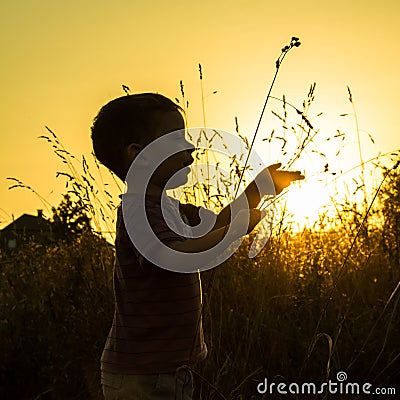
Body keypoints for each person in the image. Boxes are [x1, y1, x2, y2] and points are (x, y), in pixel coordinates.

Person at [91, 93, 304, 400]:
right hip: (140, 375)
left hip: (168, 368)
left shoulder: (171, 209)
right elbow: (170, 254)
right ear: (140, 156)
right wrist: (234, 231)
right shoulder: (137, 211)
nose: (190, 147)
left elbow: (217, 223)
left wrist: (255, 191)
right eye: (176, 139)